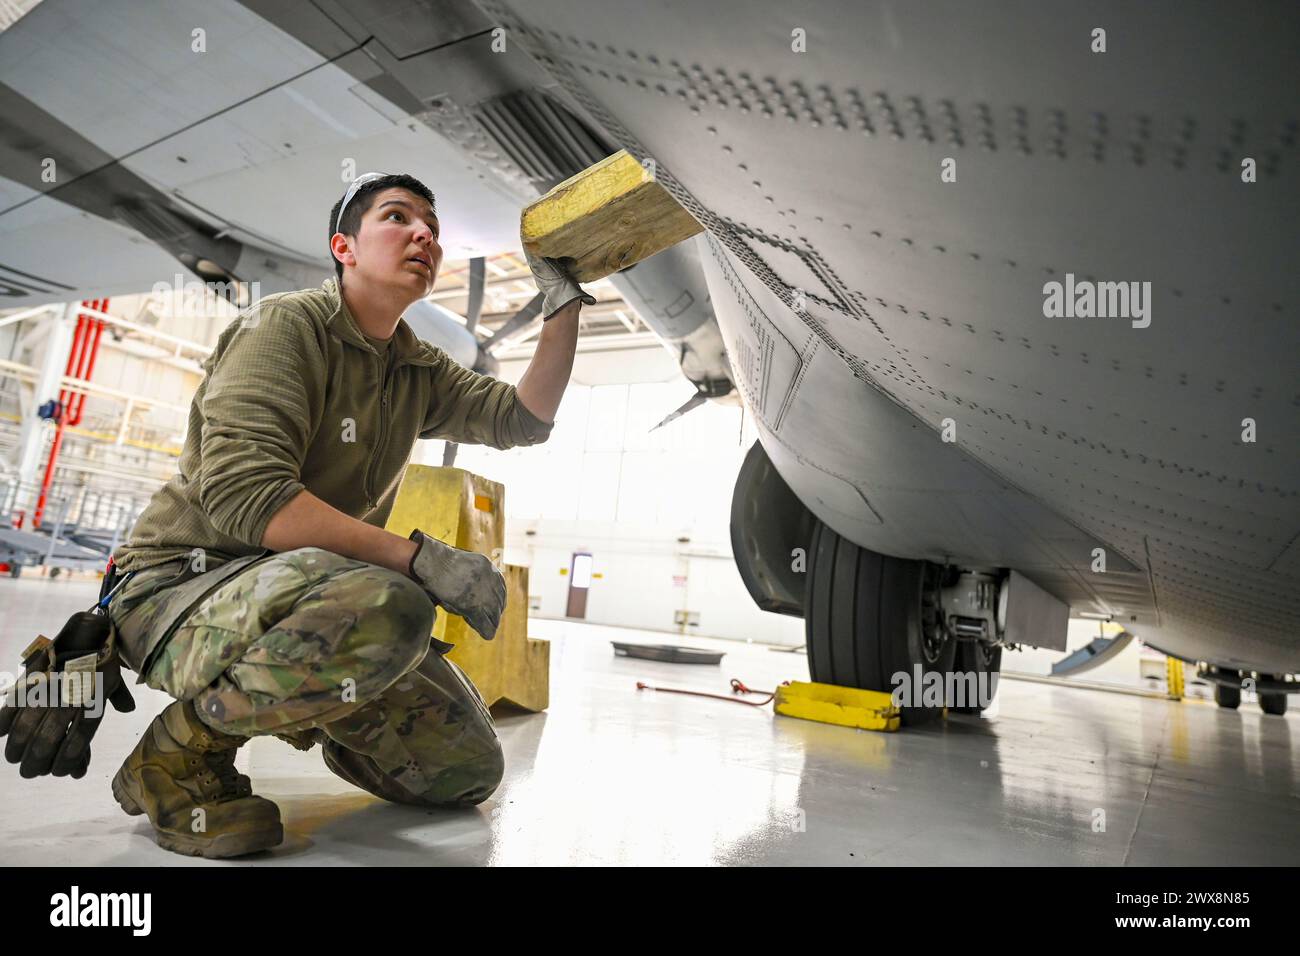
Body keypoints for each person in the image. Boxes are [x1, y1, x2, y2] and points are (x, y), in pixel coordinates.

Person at [5, 171, 593, 858]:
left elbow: (523, 420)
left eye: (431, 225)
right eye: (398, 217)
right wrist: (419, 558)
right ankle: (178, 755)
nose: (424, 234)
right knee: (394, 604)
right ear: (344, 247)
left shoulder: (413, 366)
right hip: (180, 584)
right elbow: (247, 497)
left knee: (461, 772)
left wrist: (564, 309)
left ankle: (316, 695)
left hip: (308, 591)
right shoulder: (285, 327)